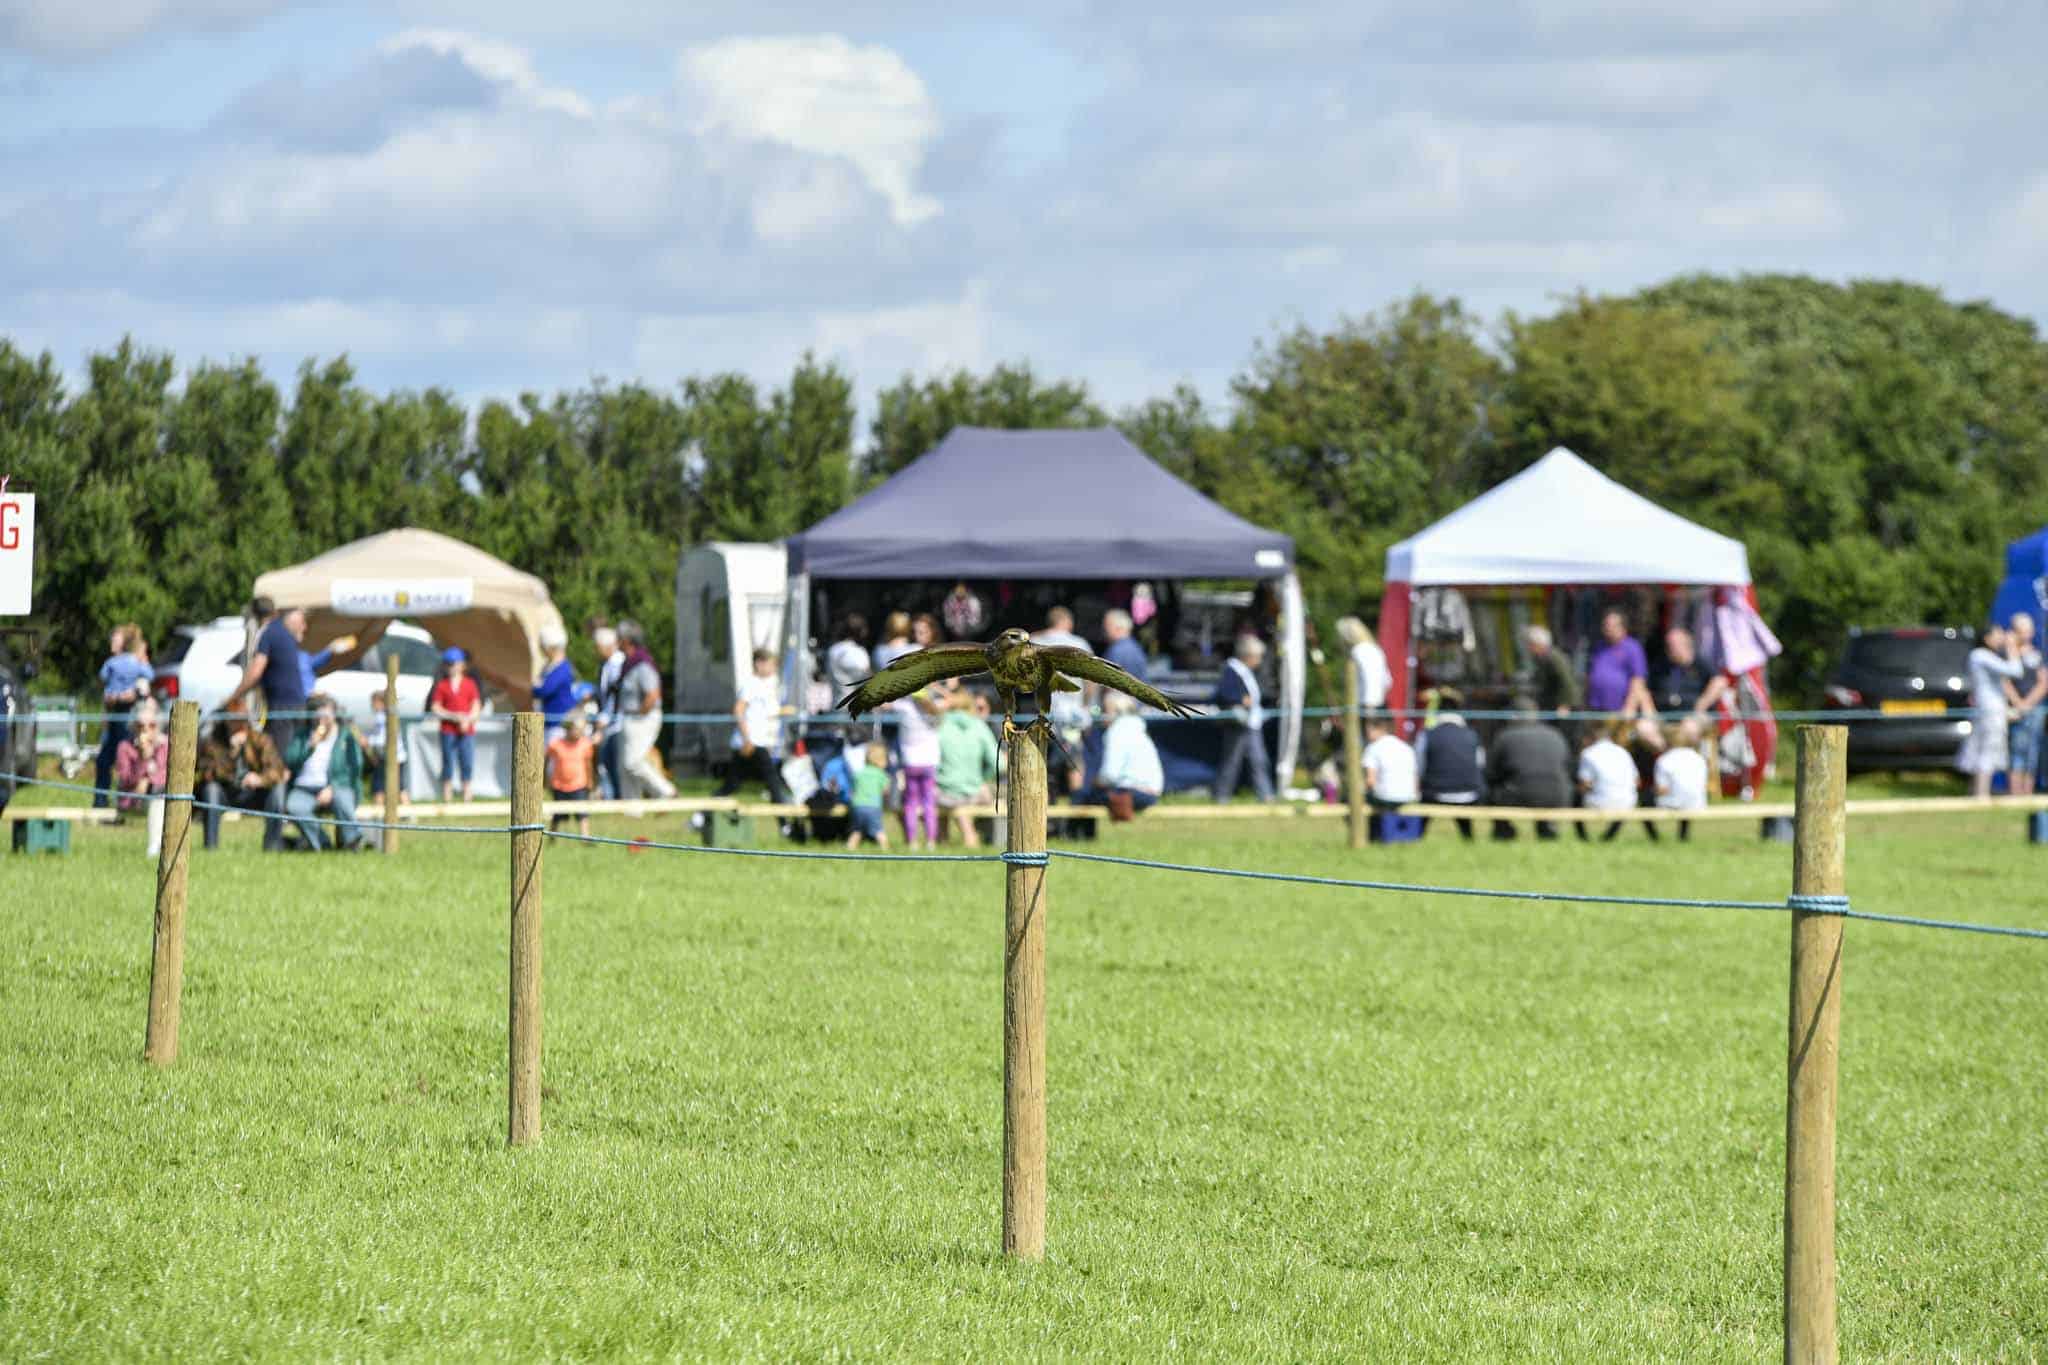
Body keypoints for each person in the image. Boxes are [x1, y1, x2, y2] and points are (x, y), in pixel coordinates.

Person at [283, 695, 369, 850]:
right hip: (305, 787)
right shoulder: (303, 735)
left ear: (334, 715)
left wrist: (332, 787)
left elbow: (355, 768)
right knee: (294, 806)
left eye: (326, 716)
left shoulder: (345, 736)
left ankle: (353, 842)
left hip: (338, 786)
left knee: (343, 800)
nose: (321, 721)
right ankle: (322, 844)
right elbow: (290, 759)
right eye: (318, 716)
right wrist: (309, 746)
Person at [195, 710, 289, 851]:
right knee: (211, 789)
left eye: (240, 722)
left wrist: (259, 779)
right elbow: (208, 772)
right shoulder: (215, 741)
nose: (237, 727)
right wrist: (232, 753)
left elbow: (278, 771)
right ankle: (211, 847)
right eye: (233, 722)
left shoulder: (260, 739)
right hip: (228, 793)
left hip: (255, 793)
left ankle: (273, 846)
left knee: (279, 789)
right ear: (226, 722)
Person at [226, 604, 310, 757]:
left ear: (255, 618)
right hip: (297, 704)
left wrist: (235, 695)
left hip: (282, 707)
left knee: (278, 759)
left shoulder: (268, 632)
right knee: (295, 756)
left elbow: (256, 671)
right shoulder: (284, 631)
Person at [1486, 698, 1574, 840]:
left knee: (1491, 793)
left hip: (1521, 795)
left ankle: (1504, 832)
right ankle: (1547, 830)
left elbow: (1491, 773)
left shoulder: (1505, 736)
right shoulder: (1555, 734)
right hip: (1559, 796)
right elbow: (1567, 767)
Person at [1959, 622, 2025, 798]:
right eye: (1998, 634)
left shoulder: (1981, 656)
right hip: (1990, 711)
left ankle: (1975, 793)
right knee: (1988, 749)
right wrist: (2012, 646)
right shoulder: (1981, 655)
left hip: (1988, 709)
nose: (2002, 637)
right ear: (1986, 638)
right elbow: (2016, 671)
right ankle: (1982, 794)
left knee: (1978, 750)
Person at [1032, 606, 1094, 794]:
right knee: (1074, 759)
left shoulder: (1038, 642)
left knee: (1043, 757)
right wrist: (1086, 704)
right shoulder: (1080, 643)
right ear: (1067, 622)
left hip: (1047, 710)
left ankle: (1047, 798)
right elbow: (1091, 679)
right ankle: (1077, 804)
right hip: (1073, 710)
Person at [716, 649, 790, 802]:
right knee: (773, 782)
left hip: (757, 742)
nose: (774, 668)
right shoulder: (750, 684)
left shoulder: (765, 686)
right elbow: (738, 710)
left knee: (732, 784)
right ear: (759, 664)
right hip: (751, 742)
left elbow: (764, 713)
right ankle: (785, 823)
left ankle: (702, 816)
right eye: (771, 664)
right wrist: (746, 739)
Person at [614, 620, 675, 800]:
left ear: (627, 640)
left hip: (642, 718)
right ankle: (631, 808)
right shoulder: (628, 663)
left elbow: (653, 694)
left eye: (619, 638)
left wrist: (639, 713)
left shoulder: (643, 664)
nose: (616, 641)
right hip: (629, 718)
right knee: (623, 767)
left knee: (633, 762)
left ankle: (667, 791)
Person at [94, 623, 152, 808]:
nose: (112, 642)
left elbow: (144, 689)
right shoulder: (134, 663)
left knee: (122, 758)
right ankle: (103, 800)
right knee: (107, 760)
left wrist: (125, 694)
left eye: (116, 639)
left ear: (124, 643)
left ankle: (119, 801)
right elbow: (149, 675)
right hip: (116, 719)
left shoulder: (114, 664)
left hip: (128, 720)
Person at [1212, 634, 1275, 802]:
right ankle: (1221, 796)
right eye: (1257, 657)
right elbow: (1222, 694)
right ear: (1248, 656)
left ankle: (1265, 795)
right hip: (1238, 724)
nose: (1259, 661)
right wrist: (1240, 699)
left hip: (1252, 724)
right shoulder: (1231, 670)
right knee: (1232, 761)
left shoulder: (1246, 671)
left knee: (1259, 760)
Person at [935, 683, 998, 846]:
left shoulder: (939, 725)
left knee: (944, 799)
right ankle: (970, 841)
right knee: (960, 801)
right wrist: (984, 779)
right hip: (974, 790)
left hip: (944, 790)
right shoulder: (979, 726)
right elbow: (998, 762)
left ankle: (943, 842)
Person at [1085, 692, 1165, 818]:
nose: (1102, 715)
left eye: (1105, 710)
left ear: (1116, 711)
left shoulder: (1117, 731)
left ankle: (1075, 835)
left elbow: (1110, 774)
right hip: (1151, 794)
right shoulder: (1138, 728)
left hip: (1134, 794)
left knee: (1082, 795)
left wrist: (1096, 782)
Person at [1415, 708, 1484, 840]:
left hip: (1434, 793)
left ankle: (1416, 838)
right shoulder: (1472, 735)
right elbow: (1480, 764)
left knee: (1421, 821)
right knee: (1465, 825)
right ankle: (1468, 839)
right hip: (1468, 794)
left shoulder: (1427, 735)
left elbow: (1419, 766)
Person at [425, 647, 482, 801]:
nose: (451, 667)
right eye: (448, 664)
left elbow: (476, 705)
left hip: (466, 730)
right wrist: (453, 717)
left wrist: (467, 719)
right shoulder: (442, 685)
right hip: (448, 729)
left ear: (461, 665)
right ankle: (447, 797)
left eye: (454, 663)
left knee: (467, 761)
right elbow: (435, 707)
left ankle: (467, 795)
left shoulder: (470, 684)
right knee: (448, 762)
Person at [892, 686, 942, 848]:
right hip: (929, 762)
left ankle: (912, 841)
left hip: (911, 762)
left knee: (911, 804)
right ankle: (931, 841)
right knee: (929, 803)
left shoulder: (905, 709)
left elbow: (885, 704)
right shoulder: (934, 712)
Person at [1576, 718, 1641, 841]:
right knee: (1624, 799)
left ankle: (1583, 838)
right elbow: (1637, 781)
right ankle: (1609, 836)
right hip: (1627, 802)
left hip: (1600, 802)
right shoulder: (1623, 752)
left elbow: (1584, 784)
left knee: (1575, 796)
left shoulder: (1588, 753)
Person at [1585, 610, 1654, 720]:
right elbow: (1591, 675)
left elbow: (1638, 681)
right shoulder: (1598, 647)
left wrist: (1629, 708)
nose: (1608, 628)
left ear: (1623, 628)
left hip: (1620, 712)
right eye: (1606, 625)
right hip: (1597, 710)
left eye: (1612, 625)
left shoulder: (1632, 648)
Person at [2006, 614, 2047, 796]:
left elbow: (2043, 682)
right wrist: (2018, 703)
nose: (2028, 635)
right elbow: (2004, 680)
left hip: (2035, 709)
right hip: (2014, 710)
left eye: (2029, 631)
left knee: (2032, 751)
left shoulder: (2036, 654)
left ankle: (2027, 794)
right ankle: (2015, 794)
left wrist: (2028, 703)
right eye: (2023, 631)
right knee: (2016, 750)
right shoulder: (2007, 653)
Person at [1654, 716, 1710, 841]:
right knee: (1685, 795)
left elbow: (1662, 789)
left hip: (1673, 804)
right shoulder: (1699, 758)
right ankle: (1683, 835)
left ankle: (1654, 838)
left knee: (1646, 799)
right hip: (1698, 802)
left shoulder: (1664, 760)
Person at [1361, 714, 1419, 834]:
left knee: (1353, 799)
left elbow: (1370, 781)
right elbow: (1415, 779)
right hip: (1409, 796)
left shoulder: (1373, 748)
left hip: (1385, 798)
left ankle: (1371, 836)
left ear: (1377, 729)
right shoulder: (1406, 747)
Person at [1654, 627, 1730, 715]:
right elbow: (1645, 688)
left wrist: (1700, 707)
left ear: (1686, 644)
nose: (1670, 649)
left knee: (1690, 727)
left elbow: (1720, 682)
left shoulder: (1701, 663)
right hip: (1664, 714)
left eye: (1674, 645)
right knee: (1645, 726)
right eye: (1668, 645)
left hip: (1694, 714)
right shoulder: (1661, 665)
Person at [546, 712, 597, 836]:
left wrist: (590, 781)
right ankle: (552, 836)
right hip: (559, 785)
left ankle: (585, 836)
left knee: (582, 812)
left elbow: (589, 764)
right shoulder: (555, 744)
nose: (579, 732)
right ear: (567, 729)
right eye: (576, 729)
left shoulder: (586, 744)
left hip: (579, 784)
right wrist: (545, 780)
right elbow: (546, 761)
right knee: (558, 814)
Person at [532, 624, 580, 746]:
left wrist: (536, 686)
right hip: (549, 724)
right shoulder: (549, 667)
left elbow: (544, 690)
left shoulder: (562, 668)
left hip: (558, 726)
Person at [591, 624, 624, 799]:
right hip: (609, 721)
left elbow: (615, 696)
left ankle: (615, 798)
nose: (596, 651)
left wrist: (604, 718)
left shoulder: (617, 664)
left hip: (616, 722)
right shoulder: (607, 664)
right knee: (606, 762)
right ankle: (612, 797)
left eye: (598, 647)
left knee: (613, 763)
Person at [1521, 626, 1580, 719]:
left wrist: (1565, 704)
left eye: (1530, 644)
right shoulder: (1541, 659)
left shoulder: (1554, 657)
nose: (1529, 648)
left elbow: (1567, 681)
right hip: (1552, 705)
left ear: (1538, 644)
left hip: (1566, 708)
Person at [1336, 616, 1393, 712]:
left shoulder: (1358, 651)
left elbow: (1370, 680)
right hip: (1379, 705)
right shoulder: (1375, 649)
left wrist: (1369, 709)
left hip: (1366, 708)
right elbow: (1387, 681)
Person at [845, 741, 891, 851]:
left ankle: (849, 848)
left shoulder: (859, 773)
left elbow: (853, 789)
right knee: (878, 830)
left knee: (857, 830)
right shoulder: (881, 774)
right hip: (873, 806)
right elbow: (886, 790)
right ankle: (886, 849)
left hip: (858, 806)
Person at [362, 689, 406, 803]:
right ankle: (379, 813)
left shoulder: (385, 716)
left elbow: (384, 738)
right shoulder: (382, 716)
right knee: (380, 786)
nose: (372, 705)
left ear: (380, 703)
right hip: (384, 757)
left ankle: (407, 812)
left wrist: (368, 741)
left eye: (373, 702)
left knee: (395, 786)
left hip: (393, 757)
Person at [825, 614, 874, 693]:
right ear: (861, 632)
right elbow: (865, 678)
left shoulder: (833, 649)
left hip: (836, 701)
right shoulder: (857, 653)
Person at [1100, 608, 1149, 684]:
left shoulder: (1117, 651)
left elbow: (1109, 682)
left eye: (1107, 625)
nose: (1104, 629)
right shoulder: (1135, 646)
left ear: (1118, 628)